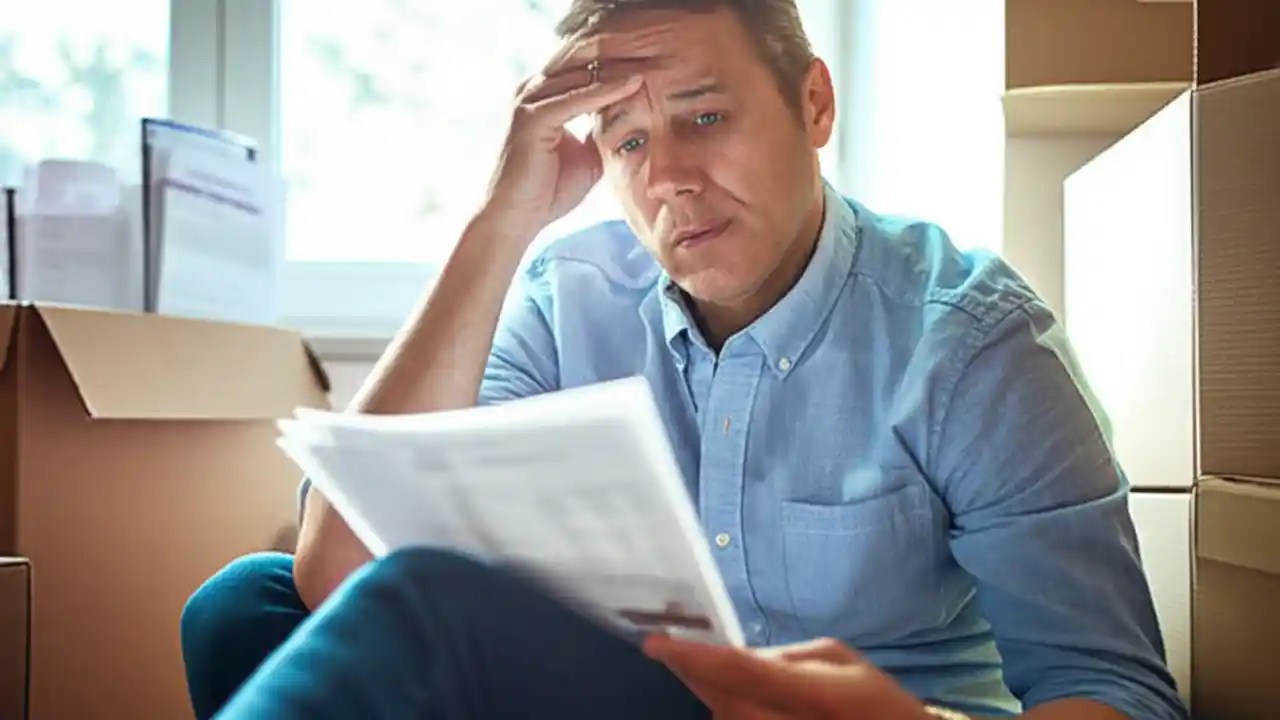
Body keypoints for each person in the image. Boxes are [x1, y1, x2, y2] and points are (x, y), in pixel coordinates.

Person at [179, 1, 1187, 718]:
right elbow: (335, 569)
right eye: (625, 142)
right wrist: (501, 220)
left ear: (812, 104)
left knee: (417, 609)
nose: (667, 177)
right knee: (245, 605)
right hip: (635, 693)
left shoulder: (969, 341)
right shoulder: (563, 296)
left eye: (704, 116)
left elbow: (1115, 692)